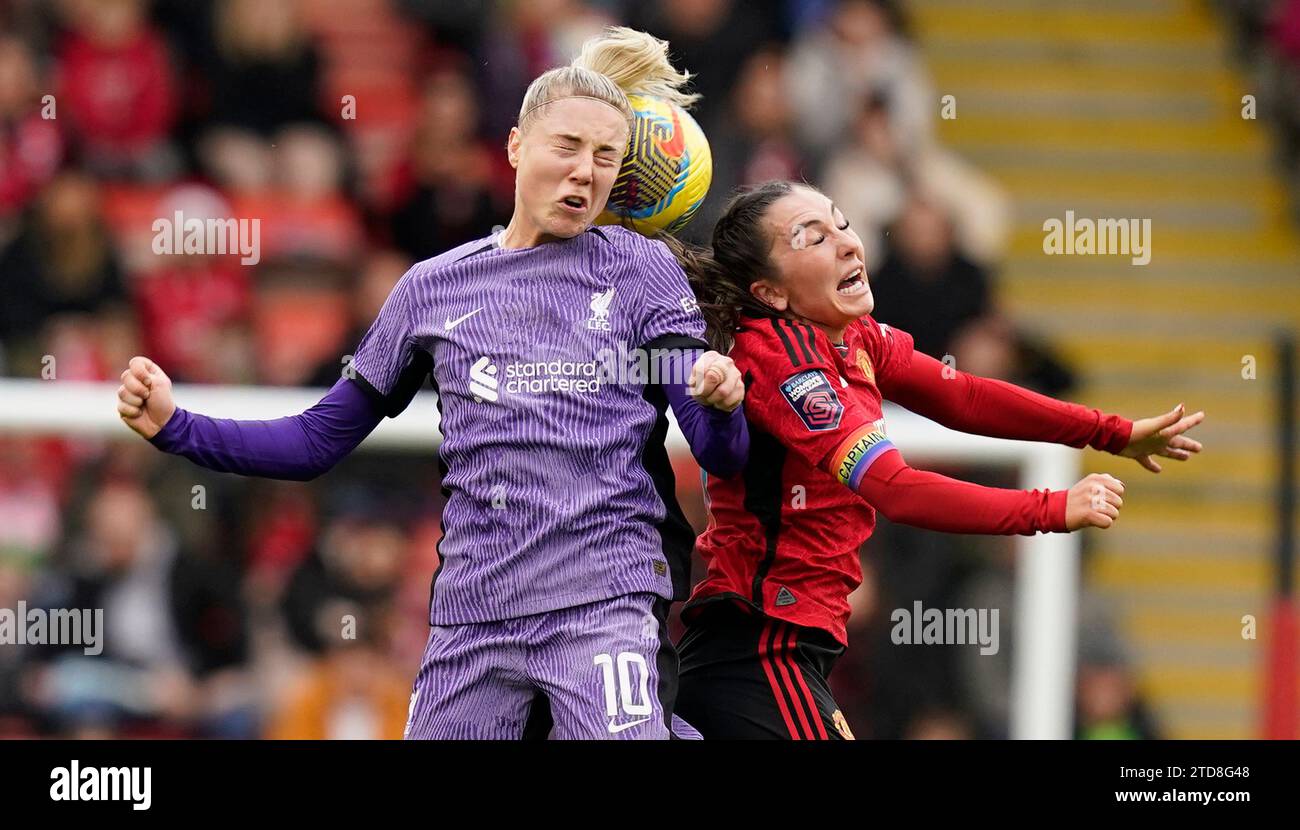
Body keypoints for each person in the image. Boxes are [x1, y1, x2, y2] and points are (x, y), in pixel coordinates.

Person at [117, 27, 748, 740]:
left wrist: (718, 405)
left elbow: (719, 451)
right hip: (474, 616)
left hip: (601, 603)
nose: (584, 172)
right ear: (514, 147)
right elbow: (318, 440)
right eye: (566, 147)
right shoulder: (433, 288)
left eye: (605, 158)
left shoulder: (640, 272)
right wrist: (177, 426)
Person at [670, 180, 1205, 739]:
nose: (848, 245)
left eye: (842, 224)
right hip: (759, 646)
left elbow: (964, 396)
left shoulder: (852, 336)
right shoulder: (788, 364)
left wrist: (1110, 431)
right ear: (771, 292)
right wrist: (1049, 509)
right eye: (813, 238)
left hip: (777, 648)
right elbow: (897, 489)